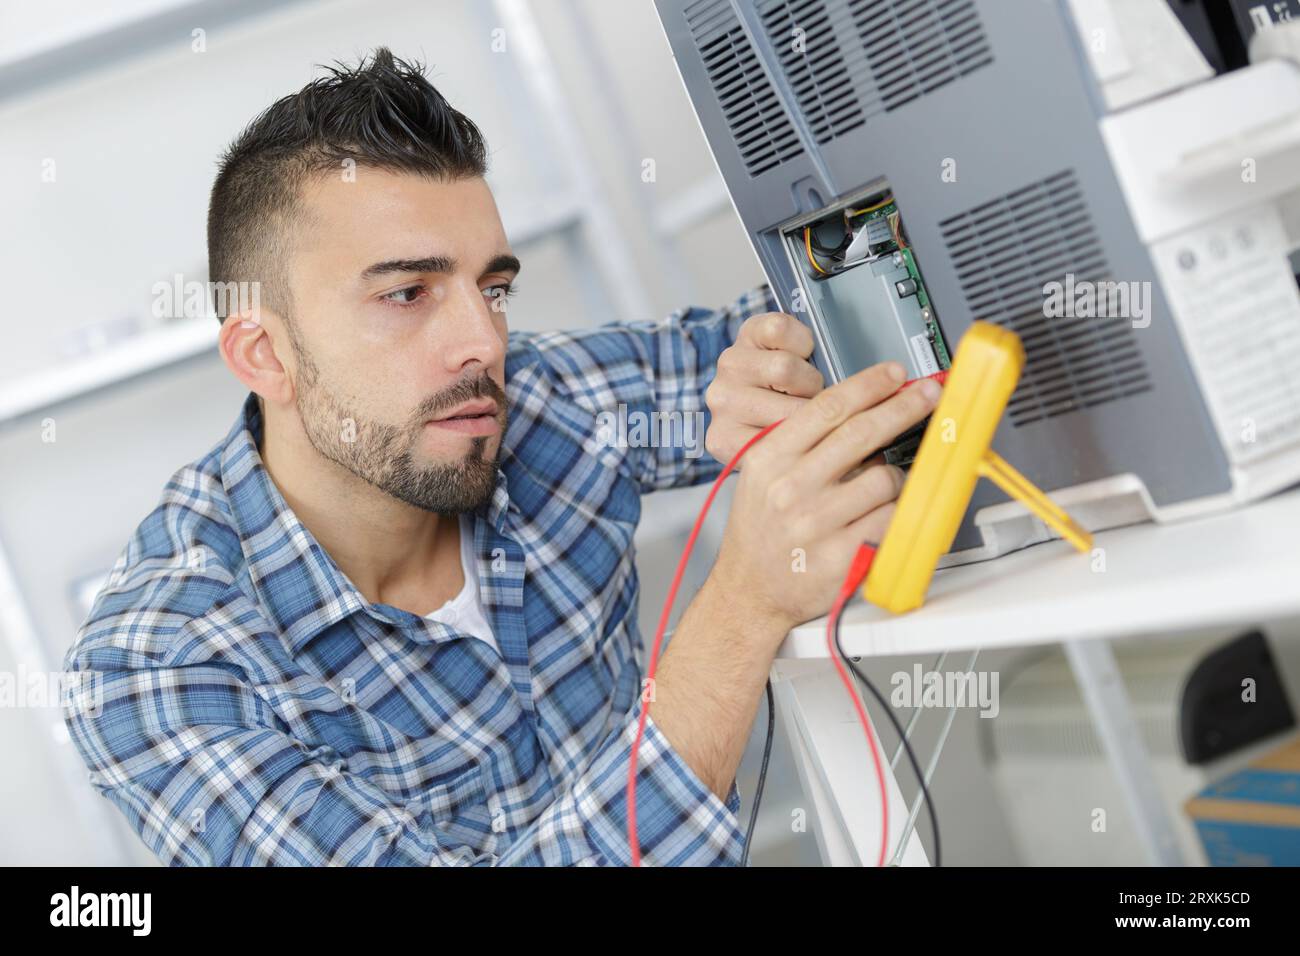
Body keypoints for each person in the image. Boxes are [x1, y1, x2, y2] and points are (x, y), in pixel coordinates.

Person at [62, 49, 941, 866]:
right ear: (264, 356)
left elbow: (821, 335)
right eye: (407, 293)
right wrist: (741, 610)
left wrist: (782, 365)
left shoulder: (537, 404)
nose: (482, 341)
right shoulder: (160, 668)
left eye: (493, 289)